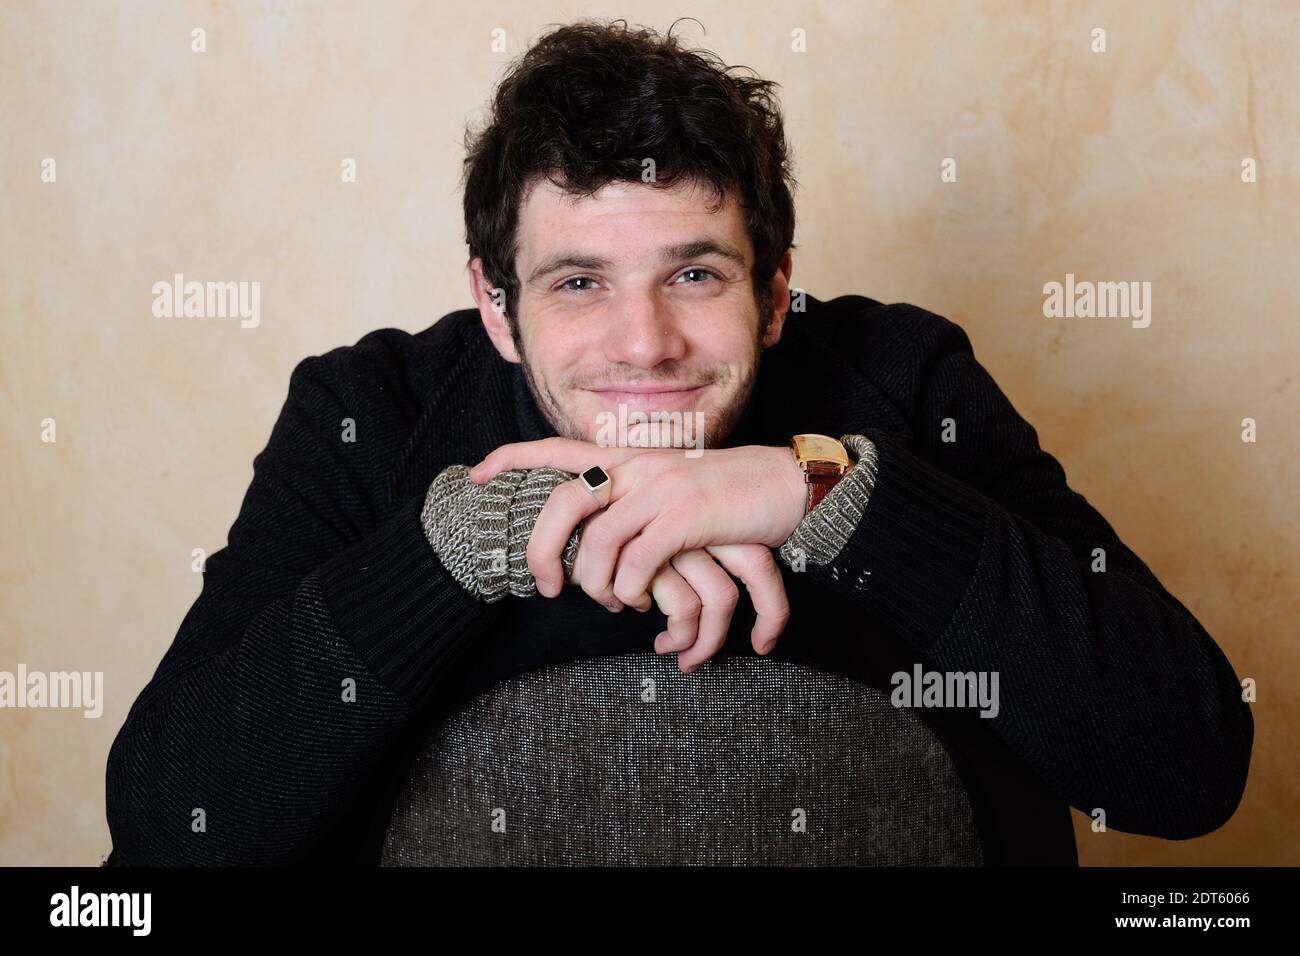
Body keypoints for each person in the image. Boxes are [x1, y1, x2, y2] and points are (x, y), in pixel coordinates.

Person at [104, 19, 1252, 866]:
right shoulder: (371, 415)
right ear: (495, 307)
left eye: (694, 272)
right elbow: (168, 829)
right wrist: (454, 553)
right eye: (577, 281)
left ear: (773, 293)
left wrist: (832, 499)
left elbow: (1185, 767)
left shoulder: (902, 384)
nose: (643, 343)